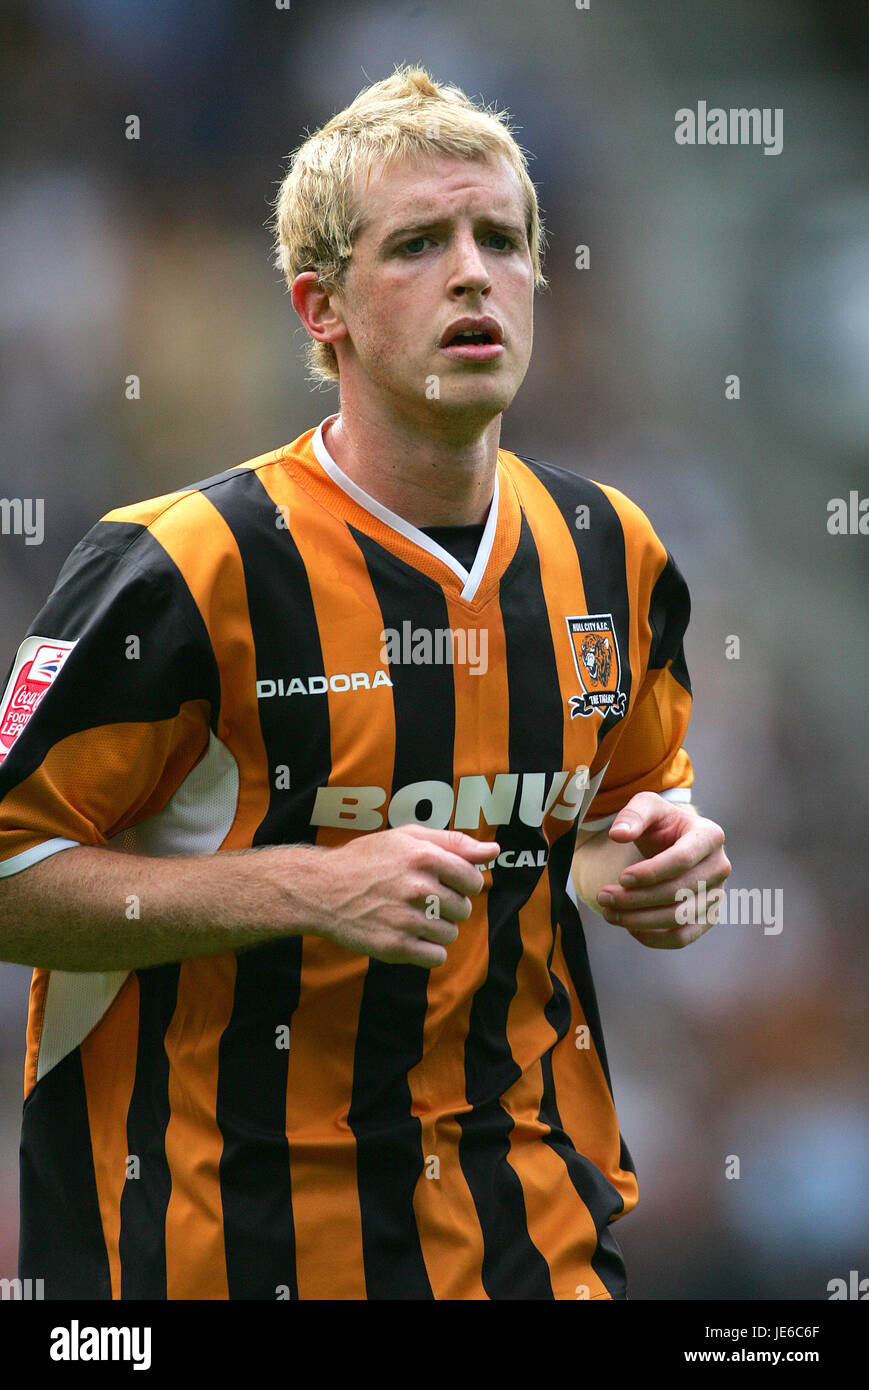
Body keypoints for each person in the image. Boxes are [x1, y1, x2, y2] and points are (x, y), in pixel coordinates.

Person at [0, 64, 730, 1301]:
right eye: (417, 245)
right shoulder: (184, 564)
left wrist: (661, 862)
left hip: (528, 1244)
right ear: (317, 304)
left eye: (501, 239)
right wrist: (305, 885)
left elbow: (595, 837)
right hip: (206, 1250)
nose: (470, 273)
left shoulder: (612, 551)